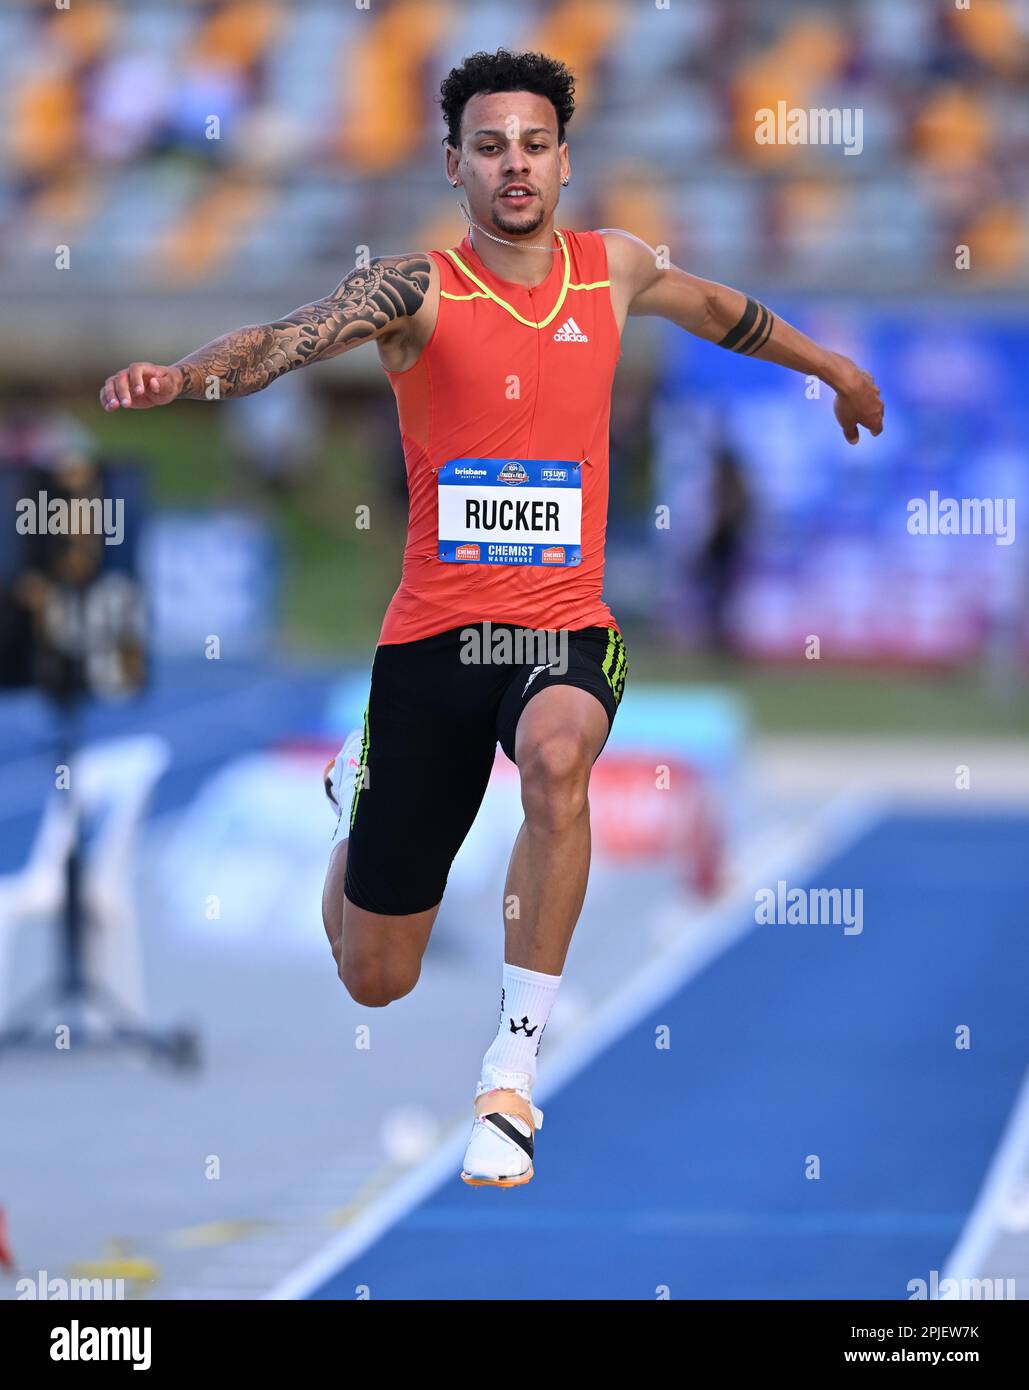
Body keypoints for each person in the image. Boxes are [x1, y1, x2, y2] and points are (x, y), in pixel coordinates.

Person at [99, 48, 883, 1188]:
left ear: (564, 160)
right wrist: (181, 378)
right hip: (432, 643)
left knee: (560, 761)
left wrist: (834, 368)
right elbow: (284, 340)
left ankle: (511, 1071)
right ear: (454, 164)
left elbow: (724, 311)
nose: (513, 164)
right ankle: (355, 797)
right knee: (375, 972)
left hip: (562, 628)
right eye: (489, 147)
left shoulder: (610, 270)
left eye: (533, 144)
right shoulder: (413, 290)